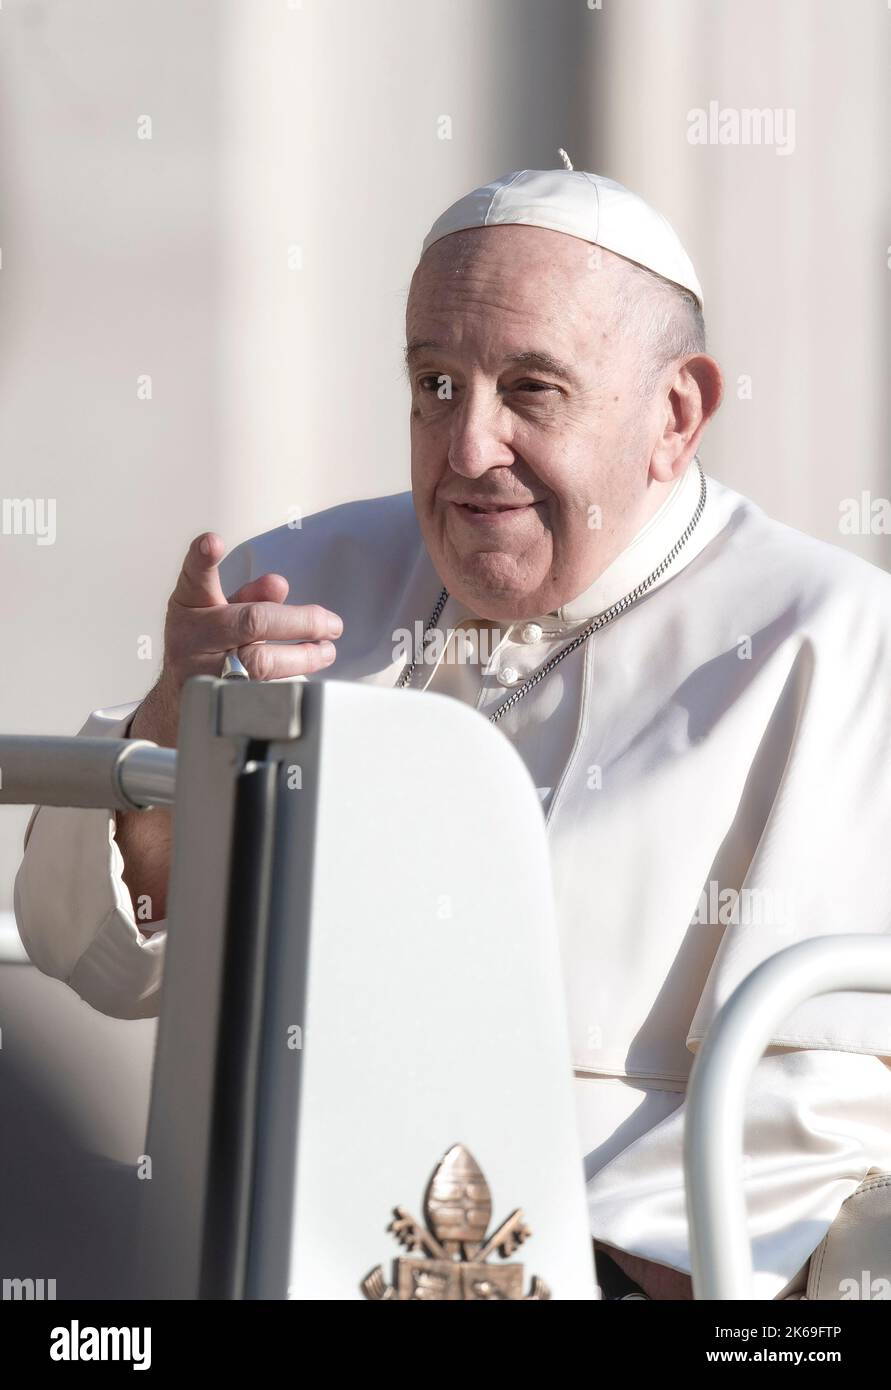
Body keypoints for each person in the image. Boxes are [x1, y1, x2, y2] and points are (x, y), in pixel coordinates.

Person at [15, 162, 891, 1301]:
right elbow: (88, 954)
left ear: (675, 415)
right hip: (251, 1220)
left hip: (594, 1256)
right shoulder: (309, 576)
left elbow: (825, 1079)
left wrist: (562, 1274)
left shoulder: (829, 634)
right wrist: (170, 725)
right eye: (435, 384)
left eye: (530, 390)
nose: (468, 447)